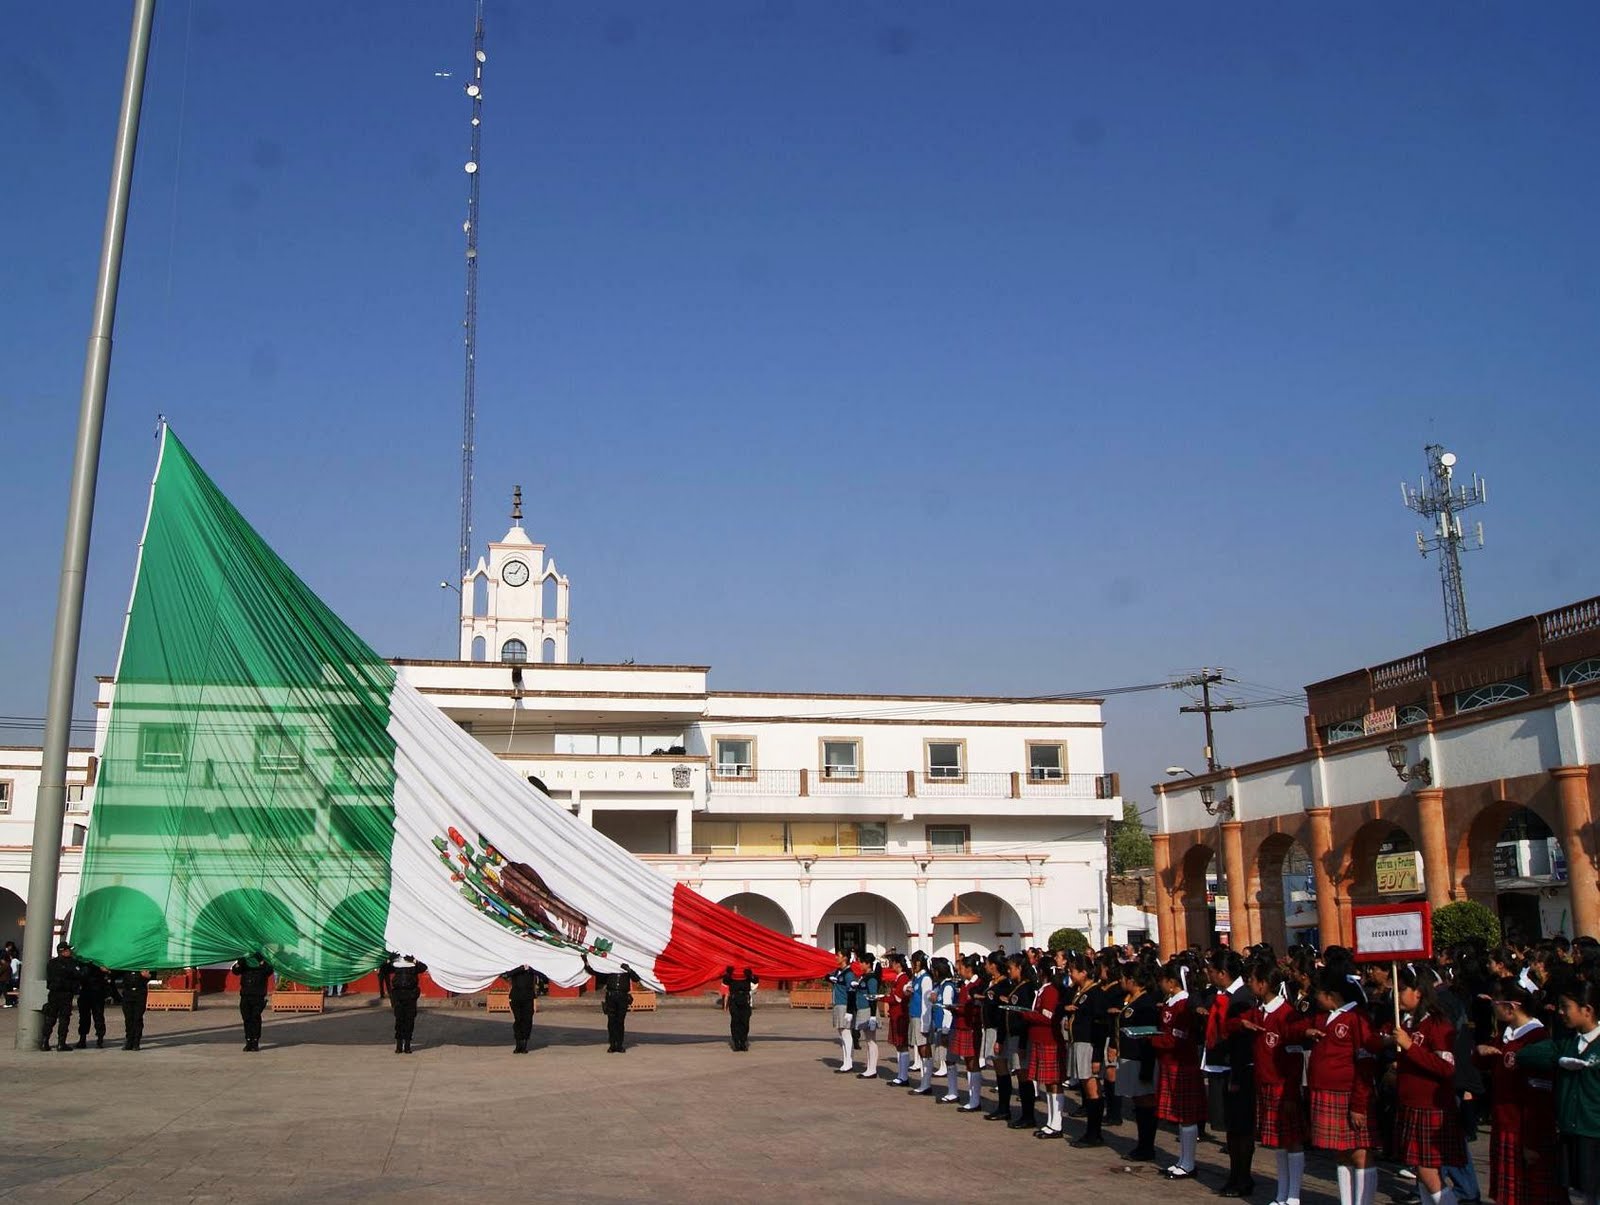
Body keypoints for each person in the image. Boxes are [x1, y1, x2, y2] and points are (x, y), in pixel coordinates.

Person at [1502, 978, 1600, 1205]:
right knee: (1579, 1192)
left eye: (1566, 1007)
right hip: (1571, 1129)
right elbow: (1525, 1055)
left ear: (1587, 1010)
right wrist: (1559, 1059)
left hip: (1594, 1132)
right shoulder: (1567, 1042)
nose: (1560, 1012)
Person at [1297, 965, 1384, 1205]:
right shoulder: (1324, 1018)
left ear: (1331, 995)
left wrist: (1359, 1104)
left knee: (1360, 1153)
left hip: (1349, 1094)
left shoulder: (1357, 1018)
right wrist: (1306, 1030)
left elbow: (1365, 1062)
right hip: (1326, 1093)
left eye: (1319, 994)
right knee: (1341, 1154)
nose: (1315, 998)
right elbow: (1295, 1026)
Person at [1473, 979, 1561, 1205]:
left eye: (1496, 1001)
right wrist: (1481, 1052)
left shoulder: (1536, 1039)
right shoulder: (1506, 1032)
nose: (1493, 1006)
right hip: (1504, 1123)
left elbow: (1539, 1097)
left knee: (1532, 1196)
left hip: (1524, 1130)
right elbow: (1488, 1063)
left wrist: (1531, 1142)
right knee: (1507, 1197)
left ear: (1511, 1007)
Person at [1240, 956, 1308, 1205]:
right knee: (1278, 1143)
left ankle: (1293, 1195)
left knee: (1292, 1142)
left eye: (1254, 980)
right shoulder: (1260, 1012)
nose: (1250, 984)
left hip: (1282, 1085)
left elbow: (1294, 1057)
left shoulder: (1286, 1014)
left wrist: (1291, 1093)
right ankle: (1281, 1193)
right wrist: (1242, 1022)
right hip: (1265, 1082)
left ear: (1264, 984)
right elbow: (1231, 1023)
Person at [1203, 949, 1258, 1197]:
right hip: (1221, 1064)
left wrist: (1237, 1074)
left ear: (1223, 973)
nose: (1208, 975)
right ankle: (1234, 1174)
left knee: (1241, 1127)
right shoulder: (1220, 995)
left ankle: (1243, 1177)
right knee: (1230, 1127)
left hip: (1238, 1068)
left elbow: (1243, 1042)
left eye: (1212, 971)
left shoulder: (1242, 997)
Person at [1151, 959, 1206, 1179]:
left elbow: (1179, 1038)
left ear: (1172, 982)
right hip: (1170, 1062)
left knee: (1187, 1115)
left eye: (1162, 980)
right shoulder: (1172, 1001)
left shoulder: (1184, 1004)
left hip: (1182, 1063)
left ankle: (1189, 1162)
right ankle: (1183, 1159)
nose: (1160, 984)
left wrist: (1153, 1040)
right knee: (1181, 1116)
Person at [1110, 957, 1162, 1160]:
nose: (1121, 982)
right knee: (1138, 1102)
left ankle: (1146, 1146)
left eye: (1124, 978)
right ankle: (1142, 1144)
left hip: (1141, 1059)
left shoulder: (1146, 1003)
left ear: (1133, 980)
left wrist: (1147, 1068)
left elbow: (1148, 1037)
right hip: (1129, 1056)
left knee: (1146, 1102)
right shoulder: (1128, 1000)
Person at [1020, 959, 1067, 1137]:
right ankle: (1051, 1121)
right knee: (1048, 1083)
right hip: (1040, 1040)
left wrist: (1027, 1015)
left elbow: (1048, 1017)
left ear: (1043, 972)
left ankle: (1057, 1123)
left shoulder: (1050, 992)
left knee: (1054, 1082)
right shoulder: (1044, 990)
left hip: (1049, 1040)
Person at [583, 954, 641, 1053]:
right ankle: (612, 1045)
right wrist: (586, 962)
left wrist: (629, 970)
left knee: (620, 1021)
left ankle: (620, 1045)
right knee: (611, 1021)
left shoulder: (626, 969)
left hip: (623, 996)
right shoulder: (609, 969)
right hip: (611, 996)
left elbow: (636, 978)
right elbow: (594, 972)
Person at [951, 955, 986, 1112]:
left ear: (969, 969)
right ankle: (973, 1098)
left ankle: (975, 1099)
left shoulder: (977, 985)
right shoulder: (966, 985)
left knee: (973, 1062)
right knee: (968, 1061)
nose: (960, 970)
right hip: (962, 1024)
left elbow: (974, 1007)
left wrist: (957, 1008)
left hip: (971, 1026)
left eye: (962, 967)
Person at [41, 941, 81, 1052]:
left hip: (54, 993)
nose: (70, 951)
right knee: (62, 1019)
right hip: (64, 994)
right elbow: (78, 974)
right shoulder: (70, 963)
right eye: (68, 950)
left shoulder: (52, 963)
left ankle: (45, 1042)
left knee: (51, 1018)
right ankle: (60, 1043)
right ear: (62, 951)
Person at [384, 954, 427, 1053]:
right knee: (399, 1019)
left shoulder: (413, 965)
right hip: (398, 994)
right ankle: (399, 1045)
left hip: (410, 994)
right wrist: (389, 960)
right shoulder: (396, 963)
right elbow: (384, 969)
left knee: (409, 1019)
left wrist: (414, 960)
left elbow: (423, 968)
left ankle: (407, 1045)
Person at [232, 953, 273, 1052]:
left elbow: (269, 971)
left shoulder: (263, 962)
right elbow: (235, 971)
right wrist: (239, 962)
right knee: (246, 1018)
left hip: (258, 995)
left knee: (255, 1018)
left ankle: (255, 1042)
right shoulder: (245, 963)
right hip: (245, 995)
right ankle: (248, 1041)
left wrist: (261, 960)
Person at [906, 952, 935, 1095]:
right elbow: (907, 987)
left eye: (914, 962)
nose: (912, 965)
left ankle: (926, 1083)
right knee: (919, 1048)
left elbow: (926, 1003)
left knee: (924, 1049)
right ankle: (924, 1081)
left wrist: (926, 1023)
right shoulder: (916, 978)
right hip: (914, 1015)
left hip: (921, 1017)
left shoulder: (926, 979)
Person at [826, 951, 859, 1073]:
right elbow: (828, 976)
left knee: (846, 1033)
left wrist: (850, 1011)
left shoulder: (849, 974)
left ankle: (848, 1062)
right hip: (838, 1004)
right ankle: (846, 1061)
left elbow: (851, 992)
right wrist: (829, 978)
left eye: (838, 956)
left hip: (844, 1005)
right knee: (842, 1033)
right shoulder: (839, 971)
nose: (836, 957)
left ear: (844, 958)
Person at [882, 953, 912, 1086]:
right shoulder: (899, 978)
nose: (891, 965)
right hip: (896, 1014)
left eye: (892, 962)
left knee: (902, 1045)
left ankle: (903, 1076)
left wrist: (882, 998)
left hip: (901, 1014)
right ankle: (901, 1075)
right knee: (899, 1046)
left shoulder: (903, 978)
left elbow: (897, 998)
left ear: (898, 964)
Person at [501, 964, 543, 1054]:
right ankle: (518, 1044)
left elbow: (543, 976)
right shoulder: (515, 967)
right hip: (516, 997)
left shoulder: (532, 969)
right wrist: (519, 969)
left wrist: (531, 970)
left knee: (527, 1020)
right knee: (518, 1019)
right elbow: (505, 975)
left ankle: (524, 1044)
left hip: (528, 998)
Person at [75, 959, 115, 1049]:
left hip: (97, 992)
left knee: (98, 1016)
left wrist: (107, 971)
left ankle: (100, 1039)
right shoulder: (83, 961)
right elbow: (79, 975)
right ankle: (83, 1038)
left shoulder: (100, 961)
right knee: (84, 1017)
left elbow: (112, 974)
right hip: (86, 991)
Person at [114, 969, 152, 1051]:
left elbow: (151, 974)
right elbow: (114, 972)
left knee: (137, 1018)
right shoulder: (126, 966)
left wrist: (148, 977)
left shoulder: (143, 966)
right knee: (128, 1019)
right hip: (127, 995)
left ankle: (136, 1042)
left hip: (140, 994)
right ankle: (129, 1041)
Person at [724, 965, 758, 1052]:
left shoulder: (747, 970)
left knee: (745, 1021)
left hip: (745, 999)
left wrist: (750, 975)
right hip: (734, 999)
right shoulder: (732, 971)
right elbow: (725, 982)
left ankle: (743, 1041)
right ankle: (736, 1042)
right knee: (735, 1021)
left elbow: (755, 981)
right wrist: (728, 974)